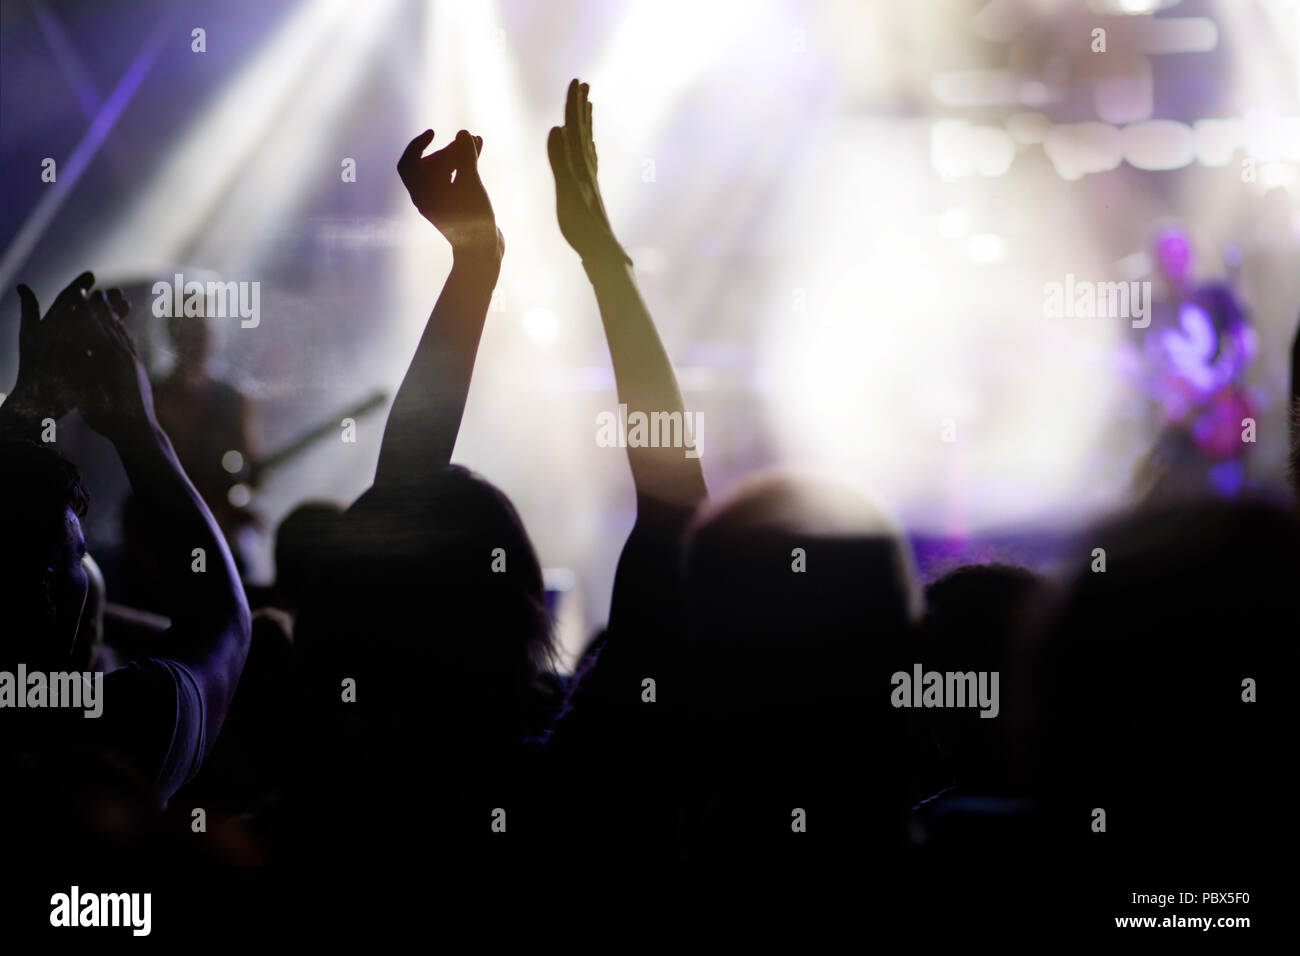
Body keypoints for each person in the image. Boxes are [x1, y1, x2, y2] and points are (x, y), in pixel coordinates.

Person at [0, 273, 250, 859]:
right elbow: (225, 621)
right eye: (76, 552)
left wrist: (23, 410)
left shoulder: (228, 398)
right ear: (46, 588)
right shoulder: (117, 728)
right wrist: (143, 433)